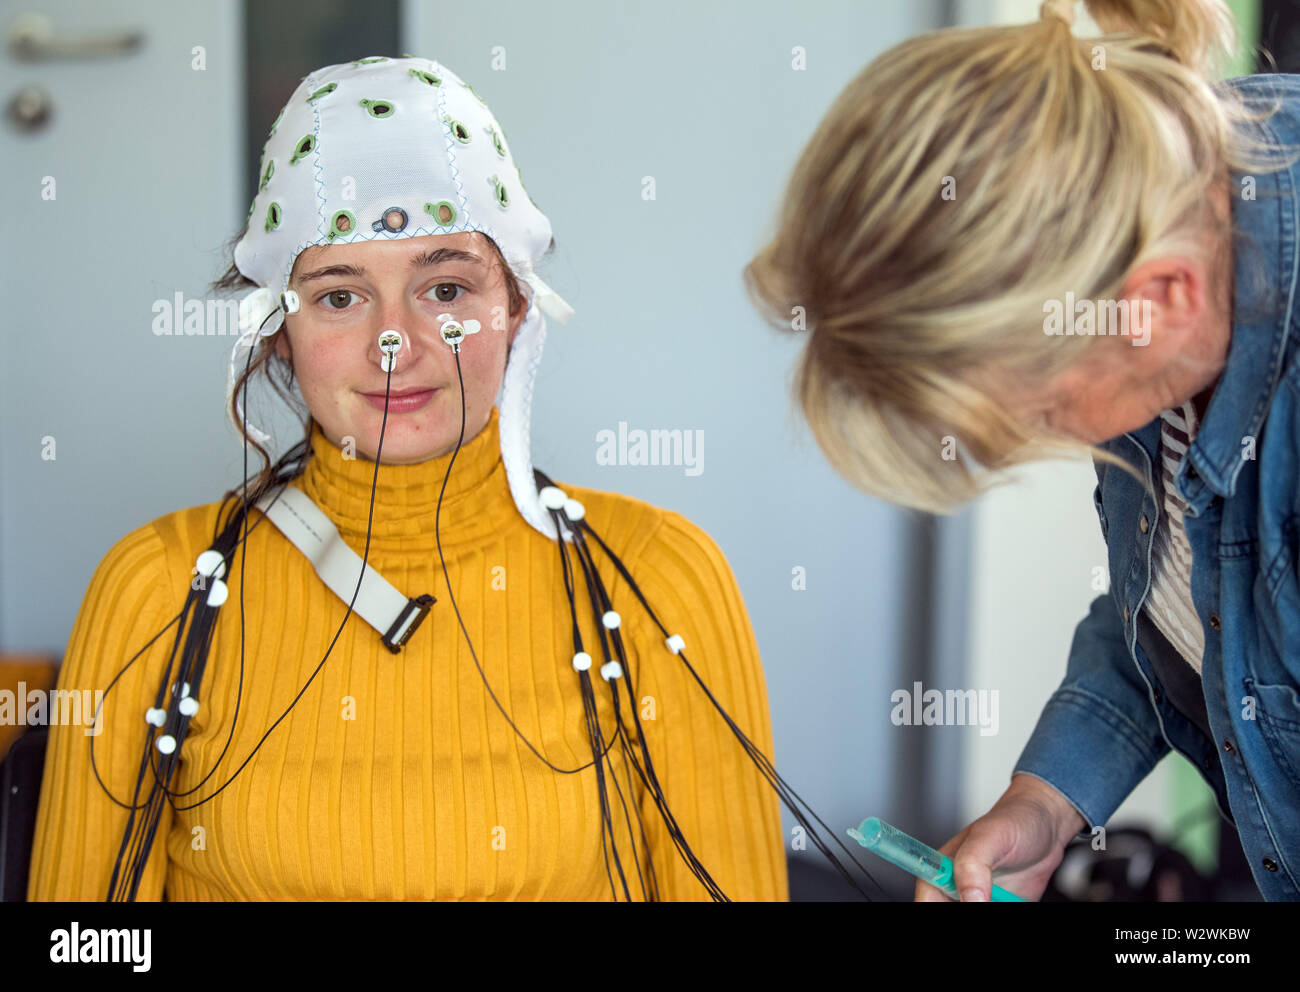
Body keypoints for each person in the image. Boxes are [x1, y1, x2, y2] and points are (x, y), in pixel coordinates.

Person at [28, 55, 791, 902]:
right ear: (280, 330)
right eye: (340, 296)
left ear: (518, 307)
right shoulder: (153, 590)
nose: (397, 343)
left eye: (447, 286)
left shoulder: (658, 581)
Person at [745, 0, 1300, 900]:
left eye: (1043, 410)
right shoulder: (1155, 226)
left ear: (1162, 299)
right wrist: (1046, 800)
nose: (1056, 440)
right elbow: (1183, 607)